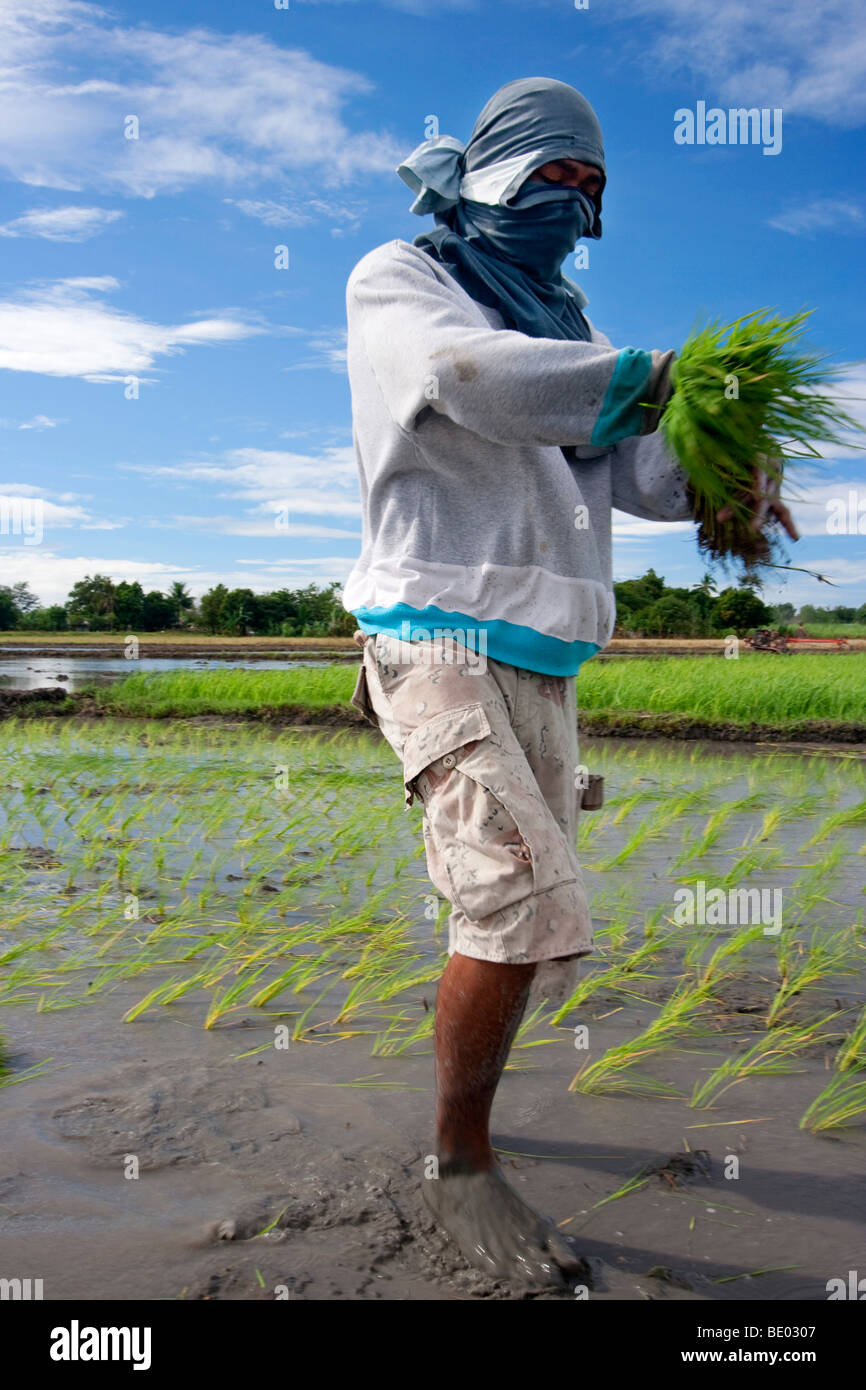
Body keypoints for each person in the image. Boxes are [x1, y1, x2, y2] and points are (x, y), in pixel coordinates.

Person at [342, 77, 795, 1289]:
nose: (575, 200)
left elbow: (623, 468)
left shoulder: (567, 321)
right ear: (495, 169)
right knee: (515, 902)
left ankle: (466, 1095)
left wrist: (714, 472)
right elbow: (467, 378)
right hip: (432, 636)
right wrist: (655, 375)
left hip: (541, 656)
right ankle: (459, 1161)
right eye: (556, 174)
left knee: (529, 926)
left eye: (592, 186)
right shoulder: (405, 279)